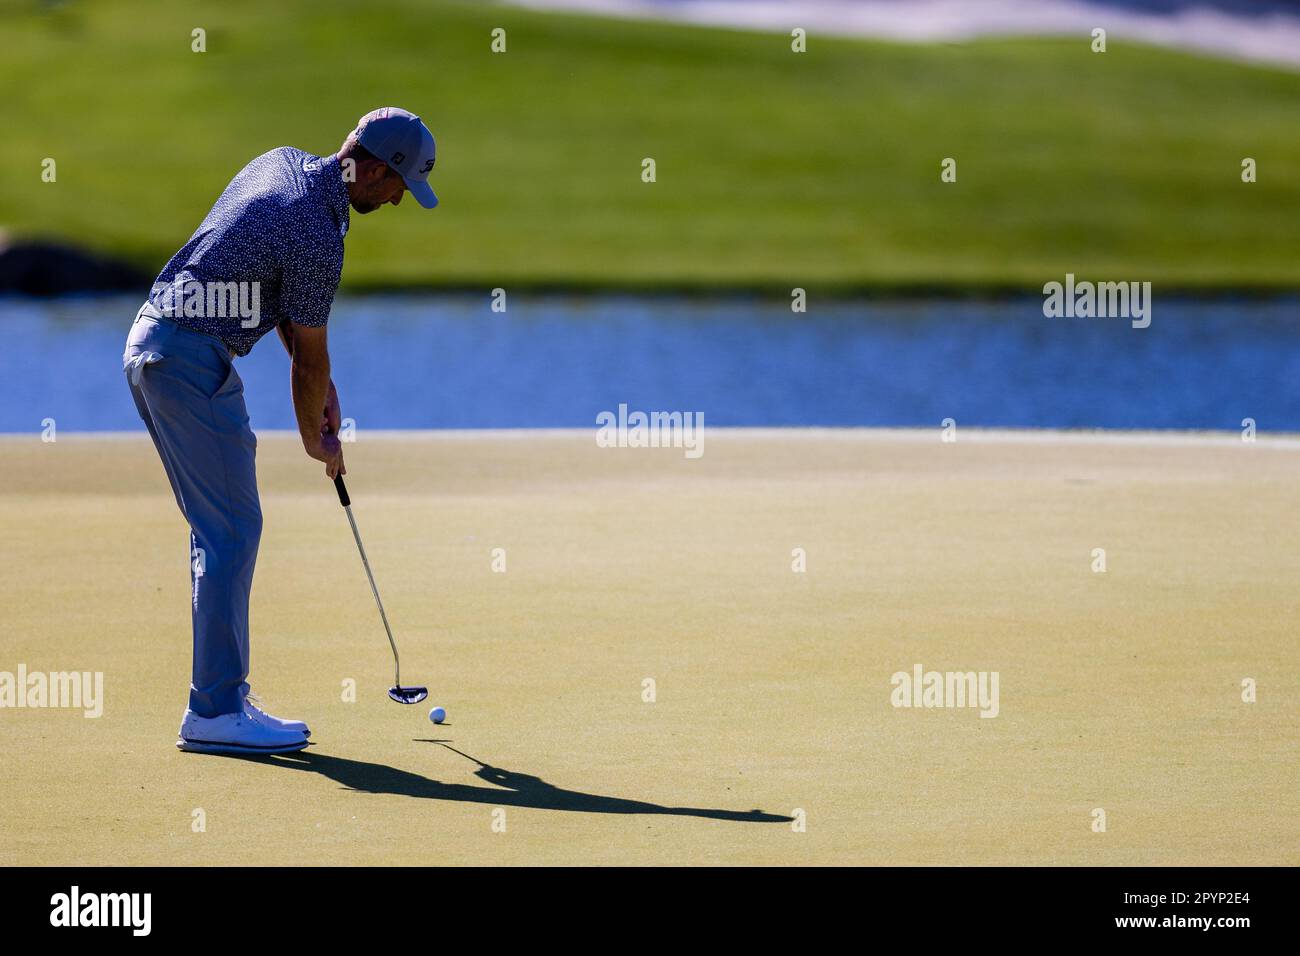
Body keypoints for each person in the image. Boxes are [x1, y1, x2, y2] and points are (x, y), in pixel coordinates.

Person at [122, 107, 438, 755]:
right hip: (188, 361)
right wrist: (317, 438)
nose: (401, 198)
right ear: (372, 168)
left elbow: (287, 314)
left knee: (220, 530)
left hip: (153, 342)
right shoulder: (320, 232)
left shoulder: (283, 164)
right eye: (398, 184)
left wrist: (320, 388)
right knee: (232, 530)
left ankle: (221, 696)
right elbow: (312, 358)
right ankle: (213, 710)